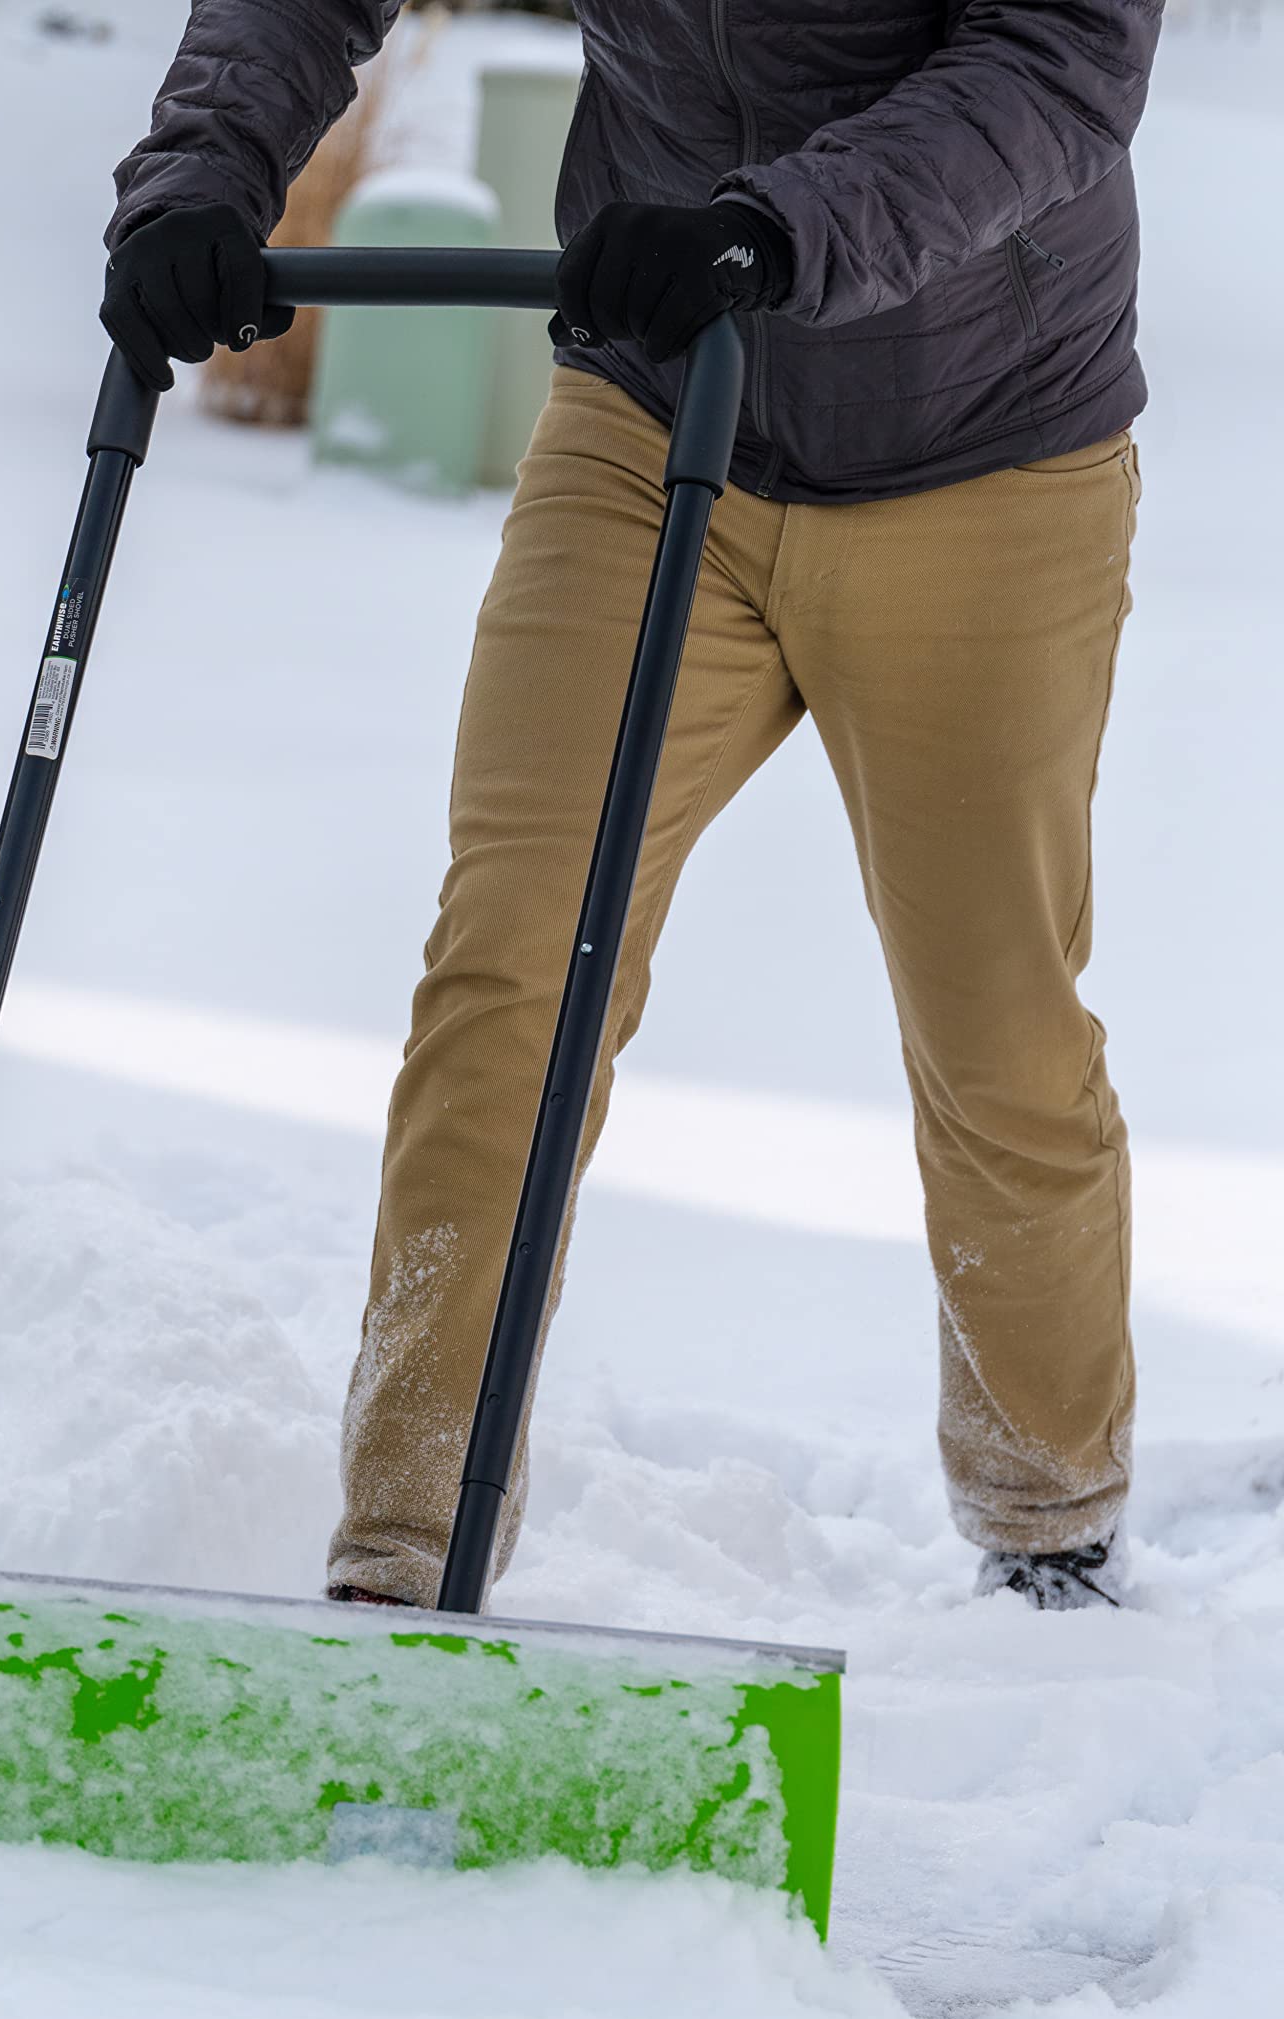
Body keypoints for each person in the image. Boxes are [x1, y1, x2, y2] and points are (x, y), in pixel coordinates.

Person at [102, 0, 1161, 1614]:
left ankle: (1051, 1532)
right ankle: (406, 1552)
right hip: (657, 405)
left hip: (984, 443)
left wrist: (776, 225)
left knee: (995, 1030)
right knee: (511, 970)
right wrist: (203, 176)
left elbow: (1061, 58)